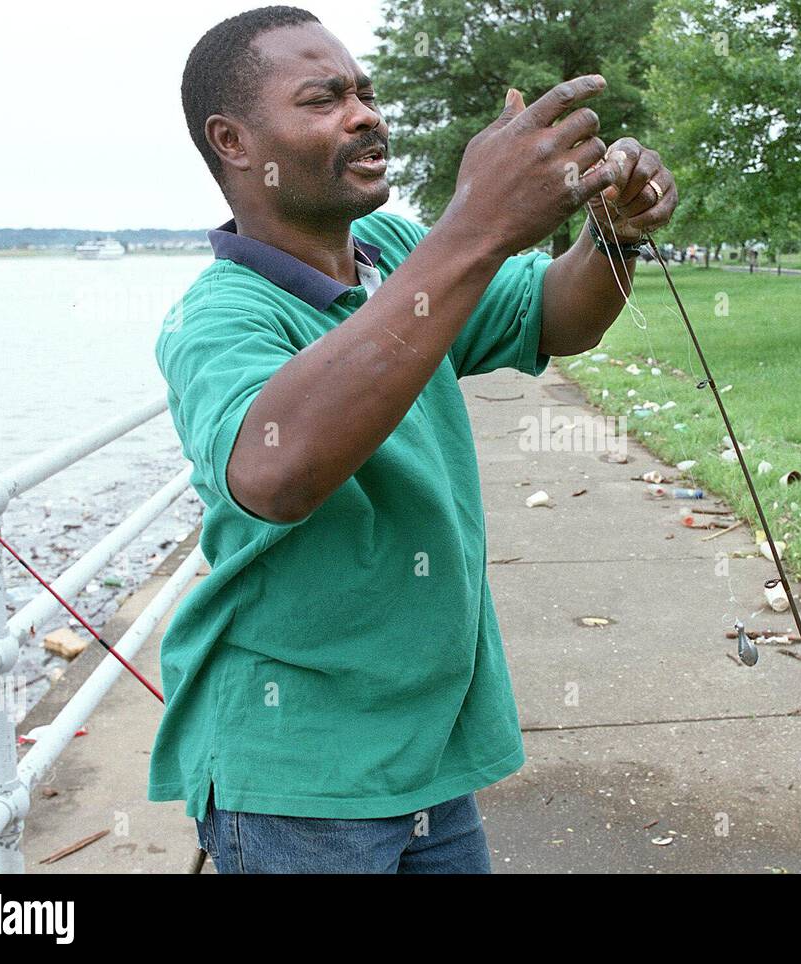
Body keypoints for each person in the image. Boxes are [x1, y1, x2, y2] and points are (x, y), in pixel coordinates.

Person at [150, 5, 676, 873]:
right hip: (296, 775)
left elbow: (556, 312)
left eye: (365, 92)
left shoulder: (394, 249)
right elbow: (274, 471)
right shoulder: (217, 319)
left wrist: (610, 236)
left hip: (431, 748)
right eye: (323, 99)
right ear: (234, 142)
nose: (364, 115)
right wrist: (475, 226)